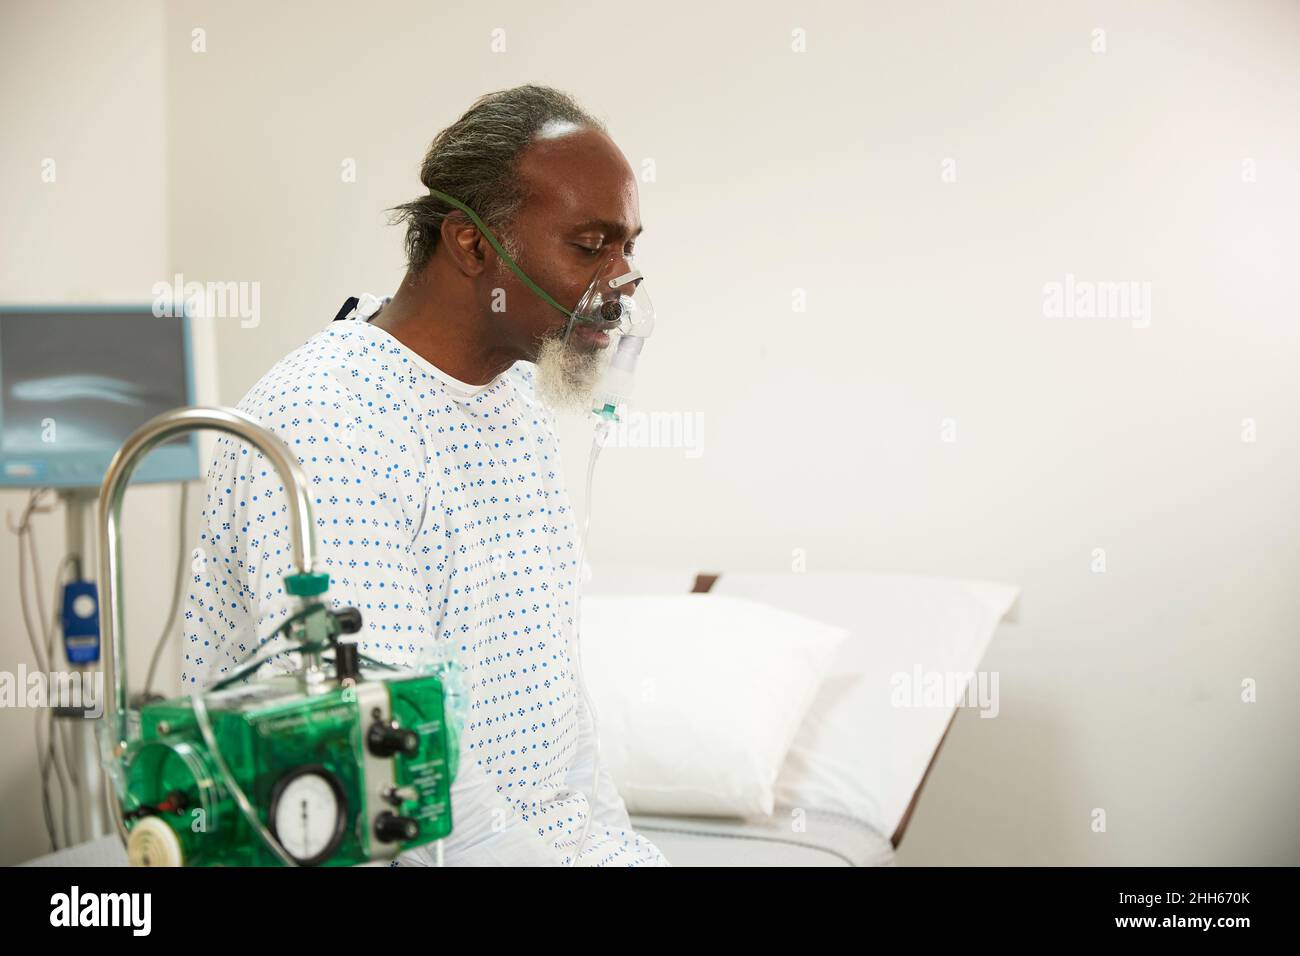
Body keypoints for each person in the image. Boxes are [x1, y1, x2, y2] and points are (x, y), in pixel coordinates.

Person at [181, 84, 667, 866]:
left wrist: (621, 852)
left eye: (629, 247)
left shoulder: (517, 403)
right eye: (589, 245)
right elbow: (403, 773)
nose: (622, 284)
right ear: (472, 244)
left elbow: (560, 729)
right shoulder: (333, 423)